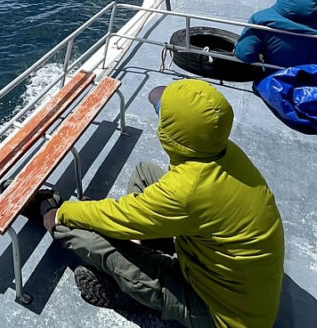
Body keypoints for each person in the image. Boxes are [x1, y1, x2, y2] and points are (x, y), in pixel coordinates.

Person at [41, 80, 285, 328]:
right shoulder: (225, 151)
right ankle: (144, 243)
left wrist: (60, 212)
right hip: (238, 287)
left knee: (87, 236)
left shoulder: (187, 190)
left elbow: (116, 216)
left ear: (173, 134)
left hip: (222, 314)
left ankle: (126, 295)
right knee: (145, 171)